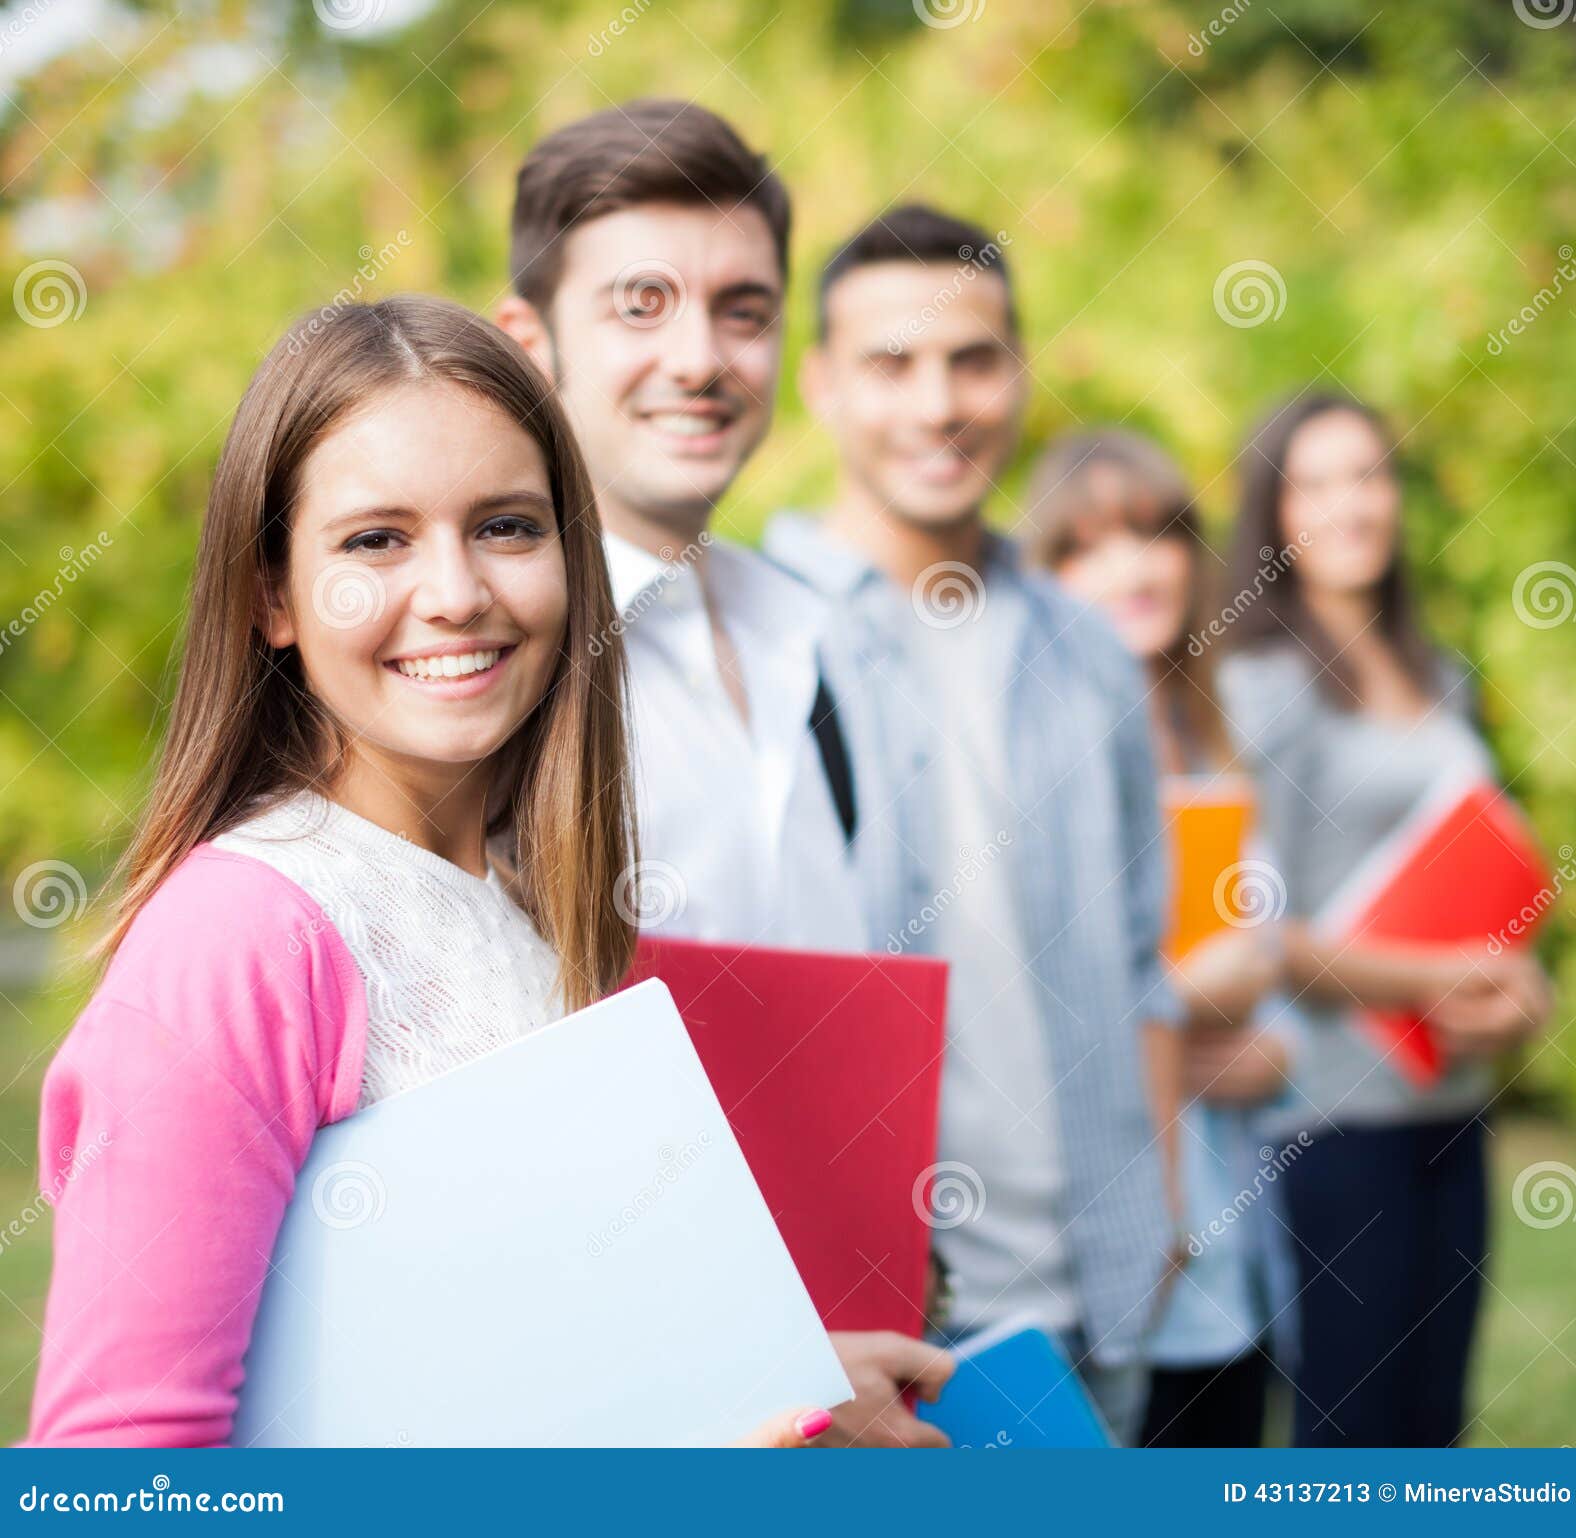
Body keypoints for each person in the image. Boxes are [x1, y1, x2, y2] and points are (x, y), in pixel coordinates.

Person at [23, 295, 831, 1450]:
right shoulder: (239, 938)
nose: (455, 591)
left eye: (506, 525)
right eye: (375, 539)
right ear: (271, 596)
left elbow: (537, 1384)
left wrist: (786, 1383)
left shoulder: (532, 910)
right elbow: (114, 1482)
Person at [497, 102, 952, 1446]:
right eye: (641, 304)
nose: (699, 357)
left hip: (855, 1377)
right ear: (531, 345)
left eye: (742, 309)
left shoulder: (817, 640)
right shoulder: (484, 678)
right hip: (625, 1410)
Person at [766, 205, 1182, 1444]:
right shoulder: (753, 638)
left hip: (1098, 1294)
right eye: (892, 364)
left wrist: (1156, 1215)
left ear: (1019, 373)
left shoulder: (1087, 647)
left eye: (973, 358)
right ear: (823, 386)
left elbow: (1142, 962)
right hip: (870, 1321)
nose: (938, 402)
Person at [1216, 389, 1553, 1447]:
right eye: (1314, 482)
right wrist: (1440, 974)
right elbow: (1256, 932)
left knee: (1433, 1429)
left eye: (1366, 474)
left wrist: (1513, 993)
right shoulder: (1259, 682)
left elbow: (1472, 876)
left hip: (1448, 1109)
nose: (1348, 504)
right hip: (1331, 1119)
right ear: (1273, 513)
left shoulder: (1436, 670)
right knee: (1352, 1434)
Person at [1031, 427, 1301, 1448]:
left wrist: (1270, 1043)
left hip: (1234, 1236)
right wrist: (1184, 997)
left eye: (1155, 534)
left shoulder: (1214, 737)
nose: (1133, 567)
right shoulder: (1036, 759)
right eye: (1089, 545)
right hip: (1105, 1242)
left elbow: (1275, 1015)